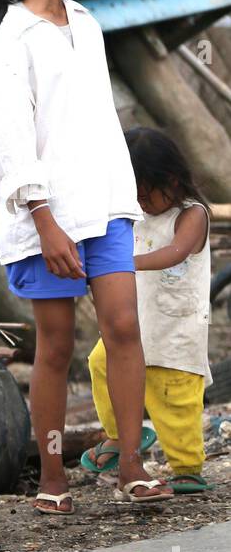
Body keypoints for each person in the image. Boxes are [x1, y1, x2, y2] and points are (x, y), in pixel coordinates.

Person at [0, 0, 171, 510]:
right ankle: (53, 477)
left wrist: (123, 194)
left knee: (123, 326)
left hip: (103, 204)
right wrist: (43, 219)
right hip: (48, 218)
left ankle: (132, 464)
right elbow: (11, 135)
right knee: (56, 345)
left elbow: (96, 120)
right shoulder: (11, 38)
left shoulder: (86, 24)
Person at [83, 127, 212, 494]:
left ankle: (187, 467)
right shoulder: (130, 216)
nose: (141, 204)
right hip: (135, 322)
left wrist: (123, 263)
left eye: (146, 194)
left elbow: (175, 252)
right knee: (100, 363)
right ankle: (121, 435)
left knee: (175, 395)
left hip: (176, 326)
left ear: (171, 180)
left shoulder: (192, 215)